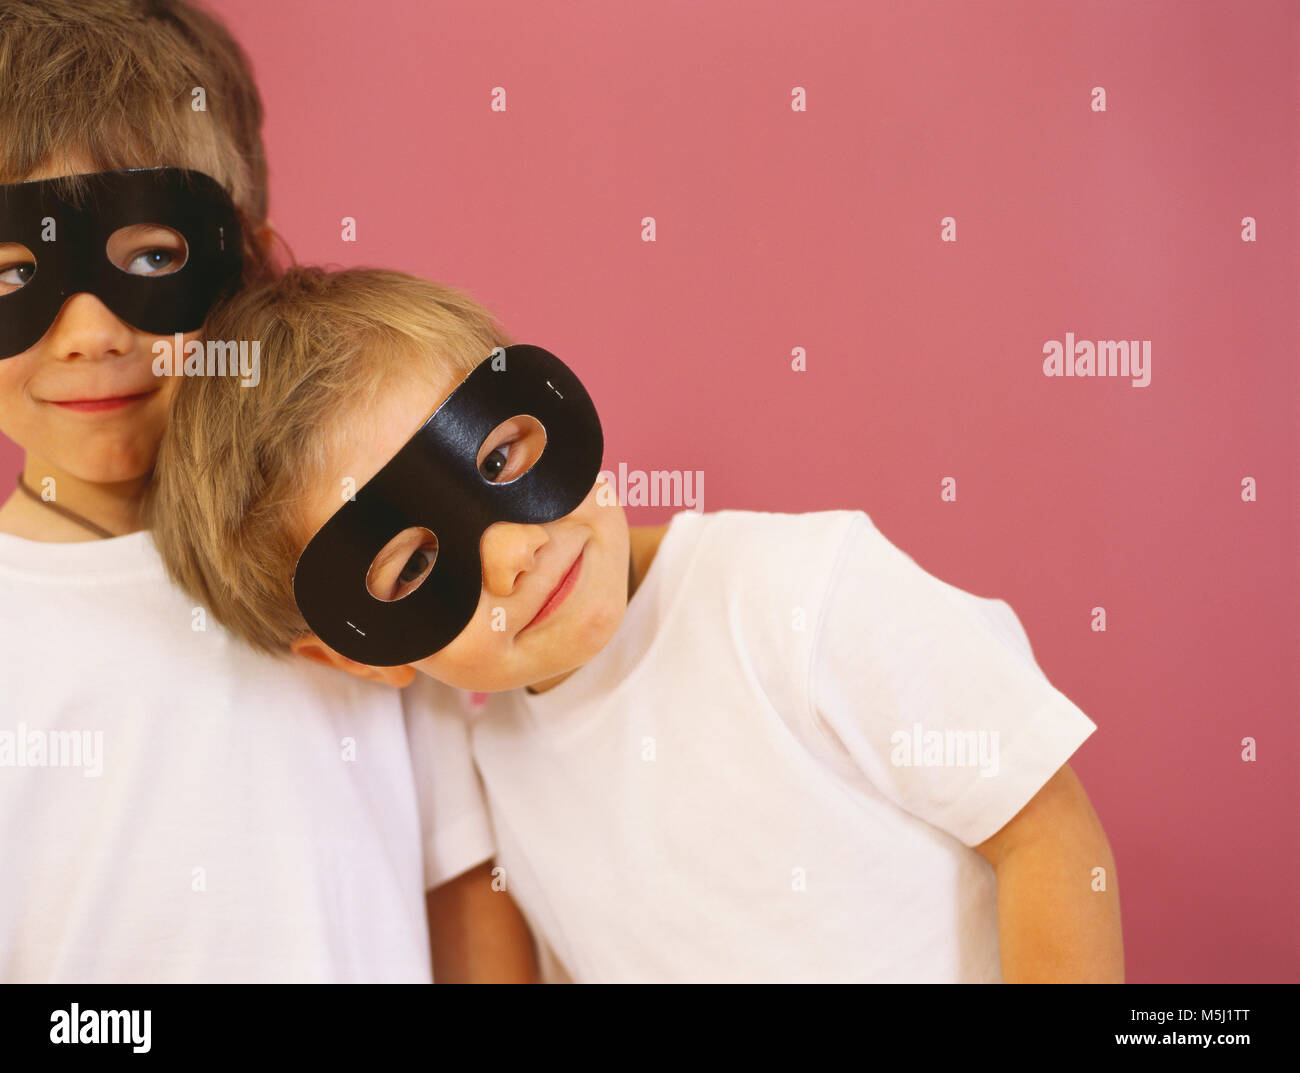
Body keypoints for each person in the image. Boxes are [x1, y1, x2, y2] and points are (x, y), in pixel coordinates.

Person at [149, 264, 1126, 983]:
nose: (510, 551)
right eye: (411, 563)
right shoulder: (505, 773)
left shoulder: (797, 592)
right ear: (359, 659)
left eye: (494, 463)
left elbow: (1047, 832)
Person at [0, 0, 536, 982]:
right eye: (12, 274)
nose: (89, 334)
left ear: (248, 260)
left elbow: (458, 874)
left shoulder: (359, 542)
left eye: (153, 259)